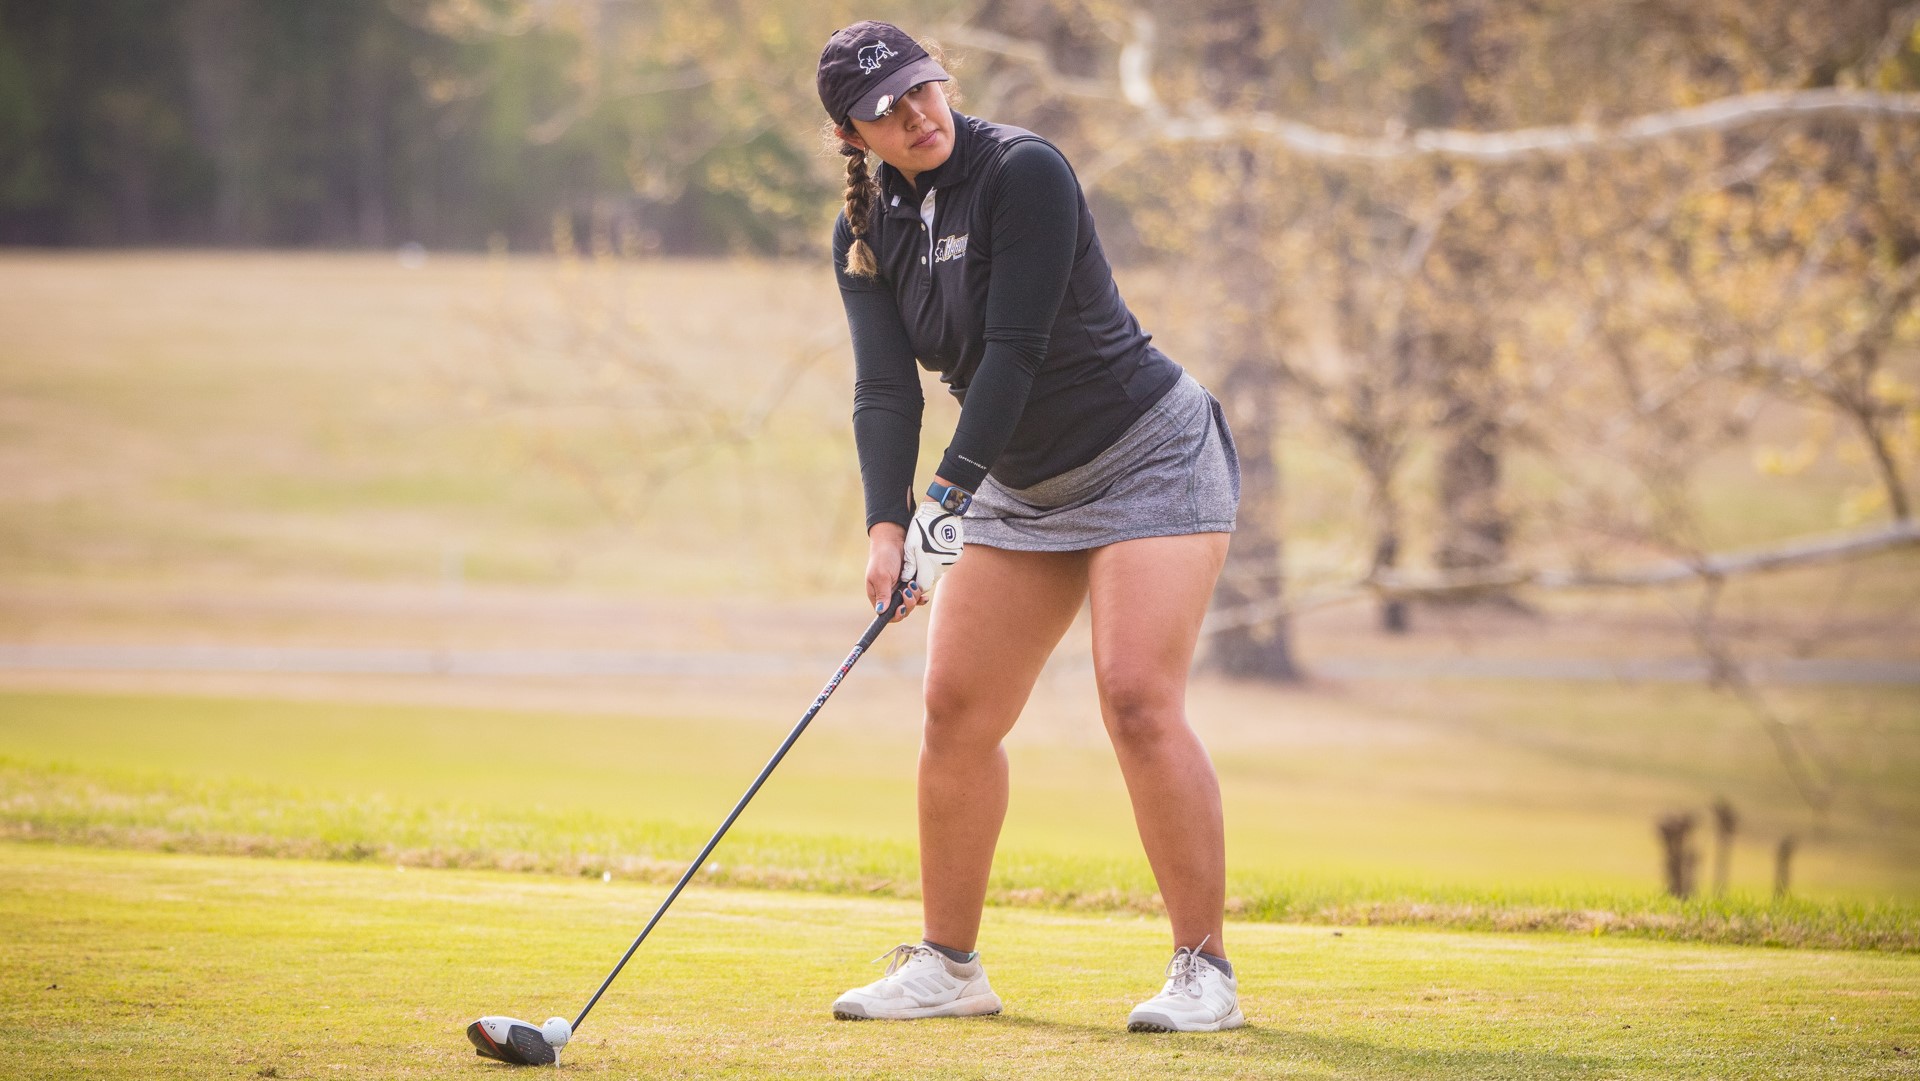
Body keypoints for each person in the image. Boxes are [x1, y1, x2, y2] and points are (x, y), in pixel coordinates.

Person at [816, 21, 1245, 1034]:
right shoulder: (864, 231)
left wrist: (945, 502)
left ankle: (1205, 971)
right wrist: (888, 528)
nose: (918, 116)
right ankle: (950, 966)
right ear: (853, 133)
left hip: (1147, 454)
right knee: (957, 711)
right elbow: (885, 391)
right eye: (887, 110)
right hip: (1012, 477)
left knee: (1137, 696)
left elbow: (1013, 353)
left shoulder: (1026, 173)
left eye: (923, 89)